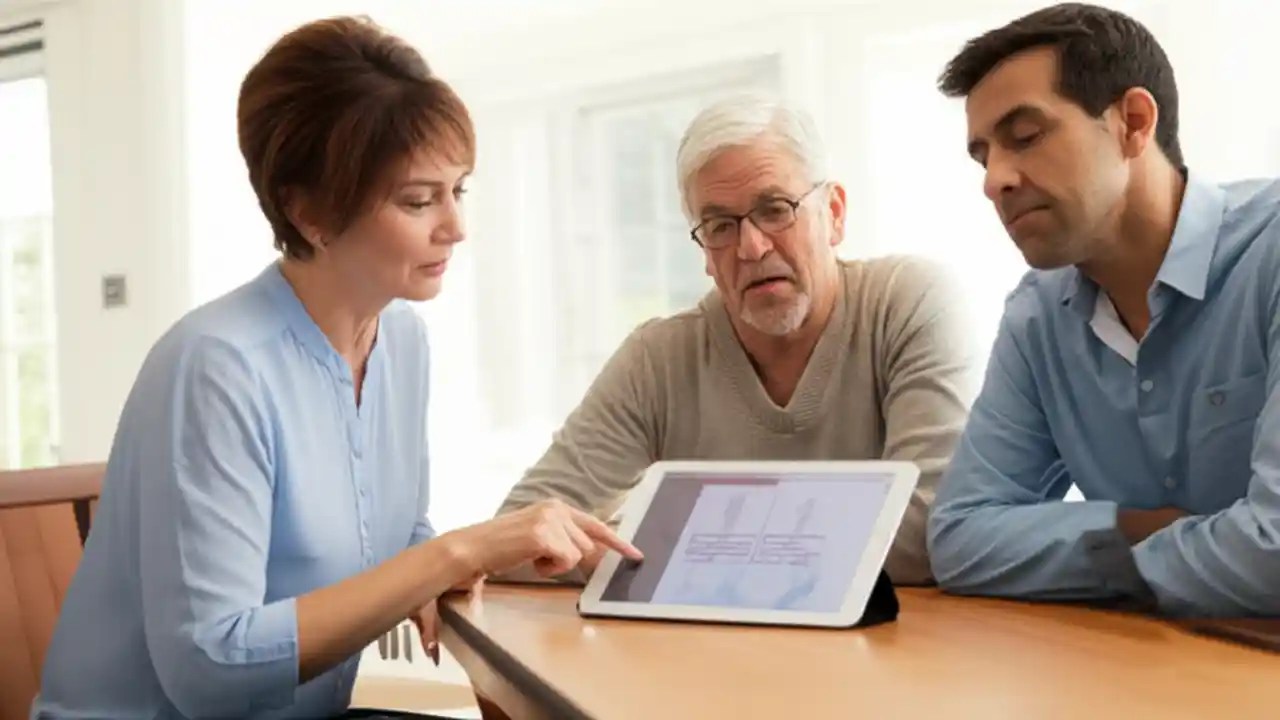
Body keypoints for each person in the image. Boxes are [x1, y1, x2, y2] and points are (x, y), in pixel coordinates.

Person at [31, 16, 640, 720]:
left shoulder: (401, 341)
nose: (455, 227)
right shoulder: (217, 367)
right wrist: (453, 554)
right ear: (309, 211)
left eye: (459, 191)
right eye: (419, 200)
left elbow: (396, 539)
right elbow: (210, 670)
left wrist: (515, 555)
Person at [495, 94, 976, 586]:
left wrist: (666, 553)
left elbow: (933, 530)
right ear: (705, 250)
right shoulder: (658, 360)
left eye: (775, 209)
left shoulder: (908, 303)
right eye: (720, 226)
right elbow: (514, 540)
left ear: (833, 213)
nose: (751, 247)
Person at [926, 2, 1280, 617]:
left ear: (1133, 123)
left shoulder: (1269, 254)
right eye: (983, 157)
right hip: (1156, 661)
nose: (994, 181)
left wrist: (1120, 556)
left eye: (1025, 137)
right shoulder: (1037, 316)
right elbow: (960, 538)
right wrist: (1136, 527)